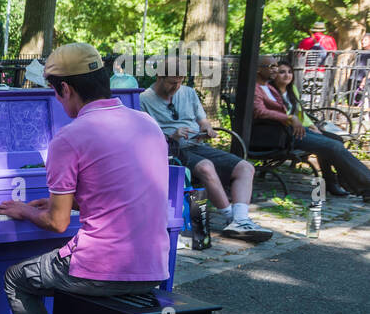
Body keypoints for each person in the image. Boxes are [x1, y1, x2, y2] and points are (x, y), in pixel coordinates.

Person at [0, 43, 171, 314]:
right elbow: (122, 192)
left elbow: (56, 225)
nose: (58, 103)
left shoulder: (70, 137)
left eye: (55, 94)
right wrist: (71, 203)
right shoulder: (147, 124)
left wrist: (26, 209)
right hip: (153, 267)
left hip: (101, 269)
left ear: (67, 88)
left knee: (15, 279)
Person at [139, 64, 272, 243]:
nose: (176, 87)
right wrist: (171, 136)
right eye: (172, 83)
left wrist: (207, 128)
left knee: (245, 168)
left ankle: (240, 219)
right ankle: (232, 219)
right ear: (159, 78)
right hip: (170, 149)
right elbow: (144, 134)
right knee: (206, 166)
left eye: (180, 82)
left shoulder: (189, 93)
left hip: (196, 143)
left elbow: (202, 120)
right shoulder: (144, 99)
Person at [254, 59, 370, 200]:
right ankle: (364, 186)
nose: (274, 69)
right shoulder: (255, 88)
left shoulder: (269, 88)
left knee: (335, 143)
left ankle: (358, 186)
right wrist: (289, 118)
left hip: (293, 130)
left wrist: (302, 122)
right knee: (332, 145)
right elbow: (259, 111)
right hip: (278, 135)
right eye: (270, 66)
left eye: (275, 66)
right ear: (258, 69)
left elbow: (297, 111)